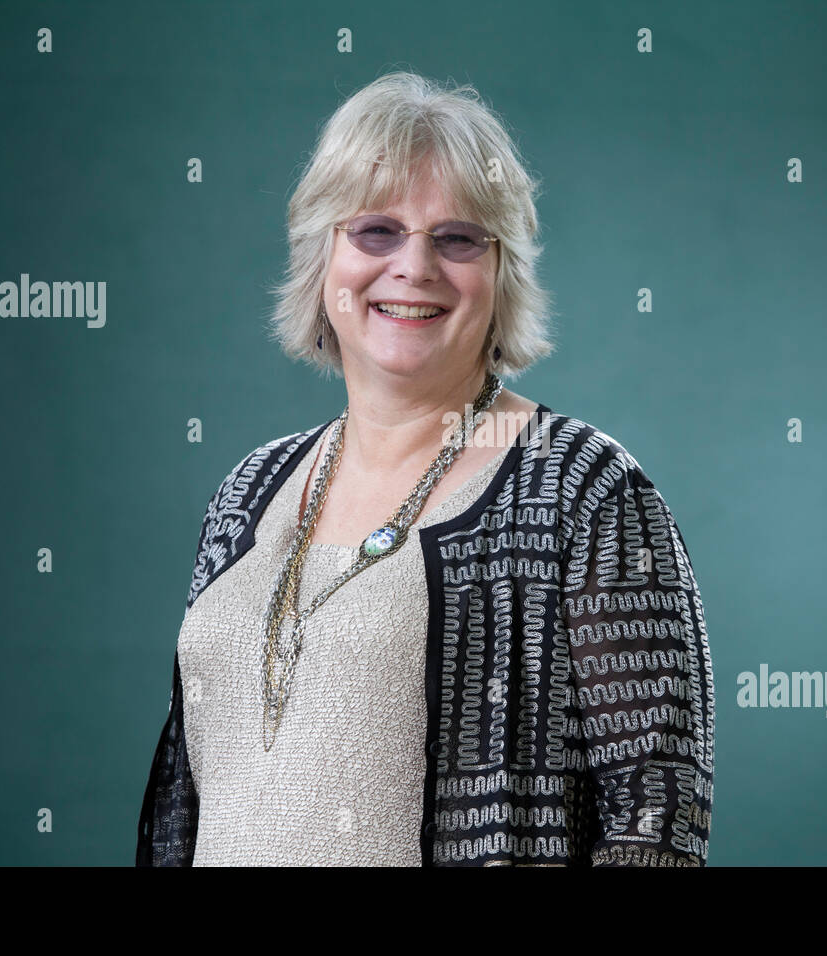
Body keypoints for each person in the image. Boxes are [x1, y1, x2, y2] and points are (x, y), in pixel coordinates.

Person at [136, 71, 714, 867]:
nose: (414, 267)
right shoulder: (249, 491)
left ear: (501, 271)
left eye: (458, 238)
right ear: (323, 256)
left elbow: (659, 819)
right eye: (376, 230)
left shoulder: (584, 490)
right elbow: (186, 806)